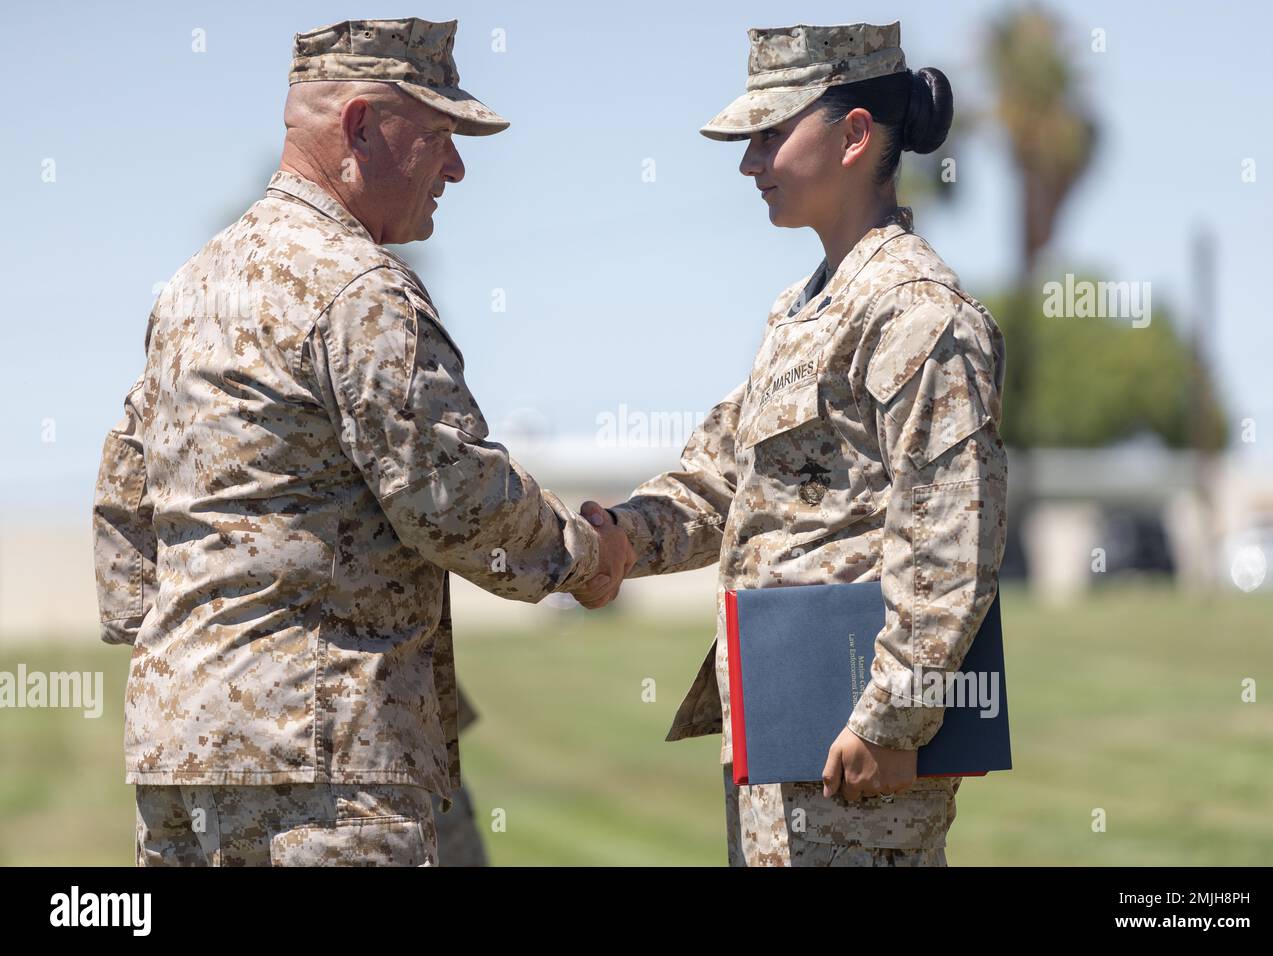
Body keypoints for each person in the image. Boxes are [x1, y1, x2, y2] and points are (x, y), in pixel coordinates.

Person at [91, 17, 634, 867]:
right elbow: (450, 500)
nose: (456, 167)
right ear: (357, 129)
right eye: (441, 136)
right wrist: (581, 557)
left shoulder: (194, 286)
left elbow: (126, 494)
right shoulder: (359, 290)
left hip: (180, 758)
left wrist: (180, 661)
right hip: (325, 766)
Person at [582, 21, 1008, 866]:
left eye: (770, 136)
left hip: (859, 748)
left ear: (855, 135)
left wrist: (894, 718)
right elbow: (723, 480)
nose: (749, 165)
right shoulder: (805, 310)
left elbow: (953, 542)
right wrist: (622, 539)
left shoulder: (919, 312)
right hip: (785, 732)